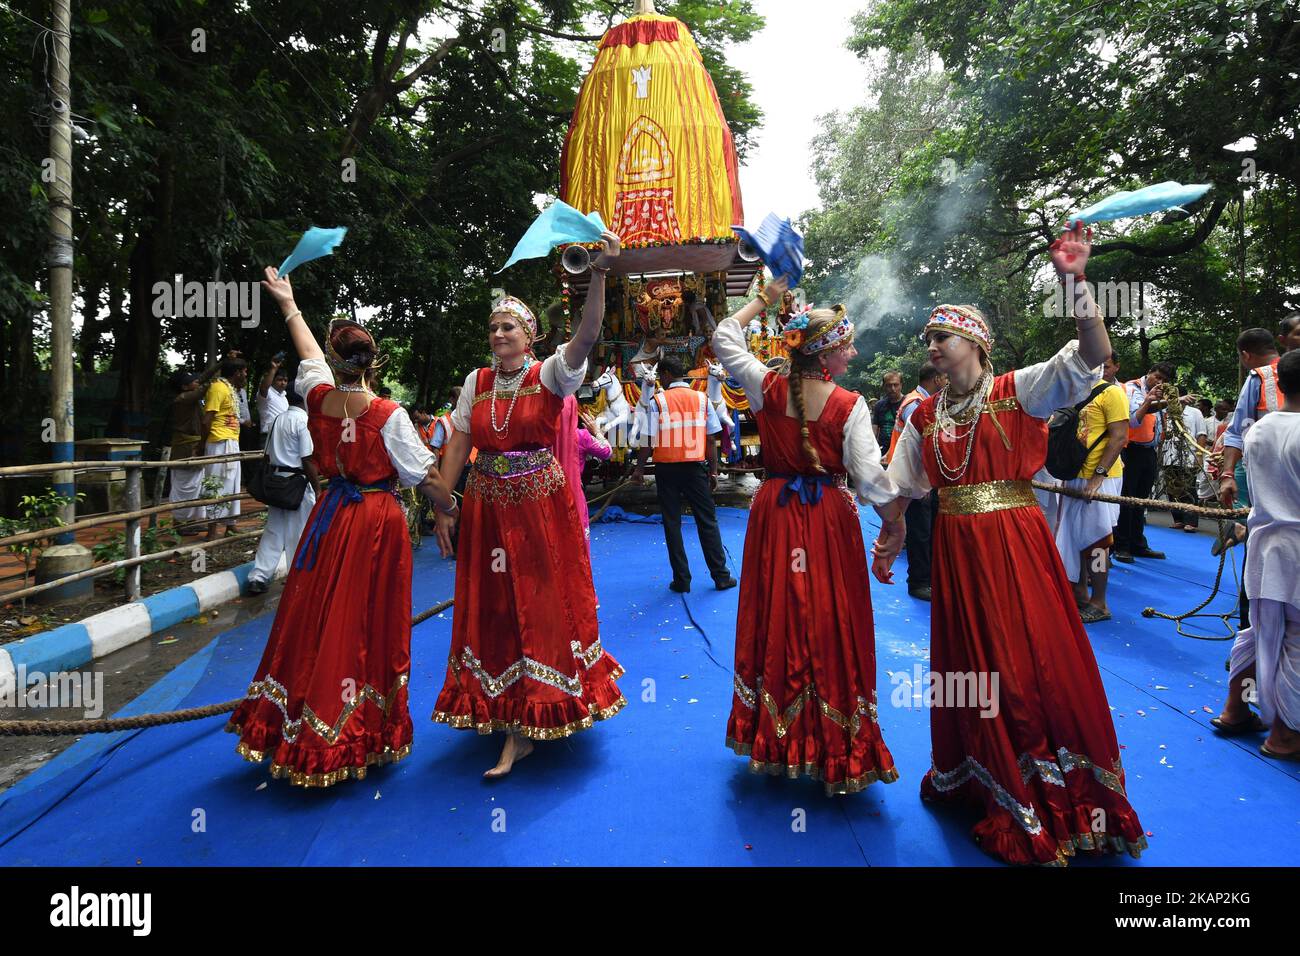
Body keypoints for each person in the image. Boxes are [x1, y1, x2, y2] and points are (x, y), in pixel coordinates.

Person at [878, 221, 1146, 866]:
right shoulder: (923, 414)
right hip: (957, 546)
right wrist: (889, 535)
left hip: (1014, 542)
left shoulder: (1018, 390)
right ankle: (981, 772)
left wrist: (1076, 281)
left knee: (1028, 655)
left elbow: (1091, 353)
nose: (931, 347)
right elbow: (903, 486)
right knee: (970, 661)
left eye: (940, 337)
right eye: (929, 339)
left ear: (973, 342)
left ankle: (1050, 784)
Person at [227, 269, 458, 787]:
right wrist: (452, 507)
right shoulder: (387, 414)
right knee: (365, 621)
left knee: (315, 613)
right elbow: (426, 477)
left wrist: (288, 304)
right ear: (374, 364)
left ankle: (297, 724)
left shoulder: (318, 398)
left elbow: (308, 355)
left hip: (329, 514)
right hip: (374, 521)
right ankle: (350, 733)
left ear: (336, 362)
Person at [431, 232, 626, 778]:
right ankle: (504, 704)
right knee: (493, 604)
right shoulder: (476, 381)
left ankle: (534, 714)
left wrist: (598, 274)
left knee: (540, 602)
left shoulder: (551, 374)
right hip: (488, 507)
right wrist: (444, 504)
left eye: (508, 327)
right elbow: (460, 444)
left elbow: (588, 334)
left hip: (539, 508)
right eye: (493, 327)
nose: (498, 334)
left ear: (530, 335)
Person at [712, 280, 902, 794]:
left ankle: (774, 738)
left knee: (776, 613)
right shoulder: (849, 404)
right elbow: (869, 479)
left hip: (775, 512)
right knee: (829, 617)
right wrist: (896, 521)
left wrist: (765, 298)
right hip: (827, 519)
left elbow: (725, 336)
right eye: (846, 345)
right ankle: (832, 742)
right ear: (825, 354)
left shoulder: (765, 385)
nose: (853, 353)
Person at [1213, 349, 1300, 761]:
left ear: (1278, 384)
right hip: (1296, 549)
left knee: (1257, 630)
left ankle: (1235, 709)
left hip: (1263, 546)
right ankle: (1284, 734)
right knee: (1296, 639)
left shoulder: (1259, 430)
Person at [631, 356, 736, 593]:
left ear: (667, 374)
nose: (660, 380)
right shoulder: (702, 399)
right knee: (707, 521)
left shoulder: (658, 401)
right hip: (695, 469)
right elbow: (710, 438)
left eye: (661, 375)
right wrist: (713, 471)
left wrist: (639, 469)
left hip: (666, 470)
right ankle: (721, 576)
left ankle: (682, 580)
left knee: (672, 524)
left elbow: (648, 439)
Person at [1054, 351, 1128, 623]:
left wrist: (1097, 477)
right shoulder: (1073, 391)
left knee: (1097, 541)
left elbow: (1119, 437)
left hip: (1101, 478)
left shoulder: (1113, 393)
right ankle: (1080, 594)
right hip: (1073, 476)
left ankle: (1099, 601)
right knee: (1073, 538)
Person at [246, 387, 320, 596]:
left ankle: (259, 577)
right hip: (297, 483)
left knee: (273, 530)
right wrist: (317, 488)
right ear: (305, 400)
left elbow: (267, 455)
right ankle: (297, 578)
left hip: (277, 482)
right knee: (300, 531)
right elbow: (307, 459)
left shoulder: (278, 419)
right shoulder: (303, 421)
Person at [885, 362, 946, 601]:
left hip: (916, 478)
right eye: (945, 378)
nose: (947, 382)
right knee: (920, 532)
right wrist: (926, 480)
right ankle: (919, 582)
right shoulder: (917, 405)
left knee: (925, 530)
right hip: (913, 479)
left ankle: (927, 578)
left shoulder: (920, 401)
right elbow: (922, 444)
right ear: (937, 379)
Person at [1112, 361, 1176, 563]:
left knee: (1142, 500)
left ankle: (1138, 544)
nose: (1160, 382)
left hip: (1149, 451)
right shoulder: (1132, 388)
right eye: (1158, 377)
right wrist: (1155, 401)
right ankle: (1121, 545)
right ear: (1149, 373)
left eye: (1164, 380)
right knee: (1127, 499)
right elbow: (1135, 418)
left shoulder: (1162, 395)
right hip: (1130, 450)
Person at [166, 360, 220, 534]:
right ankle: (179, 523)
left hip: (192, 446)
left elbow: (202, 380)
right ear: (184, 387)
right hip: (184, 449)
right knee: (184, 486)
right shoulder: (182, 399)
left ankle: (190, 521)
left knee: (195, 486)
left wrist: (222, 363)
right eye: (193, 381)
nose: (197, 381)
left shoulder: (188, 398)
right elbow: (203, 387)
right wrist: (220, 375)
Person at [202, 356, 249, 540]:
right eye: (244, 372)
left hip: (231, 441)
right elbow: (207, 420)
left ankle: (230, 524)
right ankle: (212, 529)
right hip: (218, 442)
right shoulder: (217, 388)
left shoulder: (231, 389)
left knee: (233, 484)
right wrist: (201, 445)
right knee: (216, 484)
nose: (246, 375)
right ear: (237, 373)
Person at [1163, 387, 1208, 531]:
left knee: (1188, 488)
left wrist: (1199, 456)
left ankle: (1191, 521)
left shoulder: (1195, 412)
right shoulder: (1166, 411)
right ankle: (1178, 519)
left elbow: (1201, 434)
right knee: (1172, 488)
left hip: (1189, 456)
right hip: (1169, 455)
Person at [256, 358, 290, 448]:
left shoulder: (284, 397)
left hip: (284, 436)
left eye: (285, 380)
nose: (283, 383)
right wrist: (273, 369)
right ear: (273, 380)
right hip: (269, 436)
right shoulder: (267, 393)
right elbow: (263, 387)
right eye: (280, 380)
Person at [872, 371, 904, 449]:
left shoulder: (908, 404)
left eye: (896, 385)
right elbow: (874, 429)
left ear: (901, 385)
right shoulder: (879, 405)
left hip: (901, 449)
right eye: (889, 385)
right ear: (884, 386)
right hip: (882, 449)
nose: (892, 389)